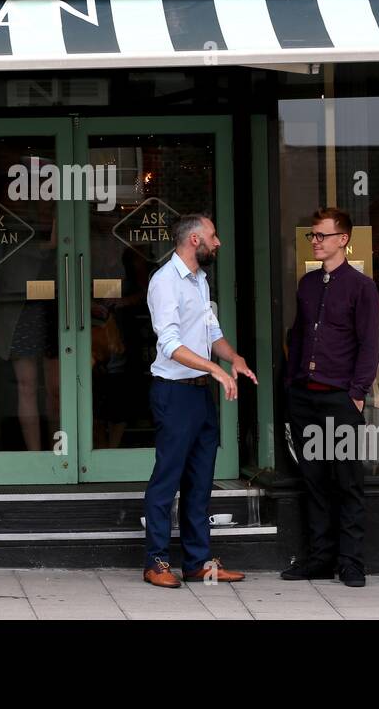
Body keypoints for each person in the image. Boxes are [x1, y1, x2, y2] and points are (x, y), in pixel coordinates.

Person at [142, 213, 257, 588]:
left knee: (200, 482)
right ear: (194, 240)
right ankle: (156, 562)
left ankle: (197, 563)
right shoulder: (164, 283)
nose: (218, 242)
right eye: (213, 235)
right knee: (167, 480)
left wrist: (233, 359)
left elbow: (212, 331)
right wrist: (215, 369)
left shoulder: (200, 281)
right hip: (173, 393)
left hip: (199, 392)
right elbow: (171, 344)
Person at [281, 207, 379, 588]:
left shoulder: (361, 286)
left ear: (343, 239)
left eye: (321, 235)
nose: (316, 241)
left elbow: (368, 345)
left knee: (347, 480)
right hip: (305, 397)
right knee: (315, 480)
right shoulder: (307, 284)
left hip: (341, 398)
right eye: (312, 236)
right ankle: (320, 559)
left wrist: (357, 394)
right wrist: (292, 384)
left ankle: (351, 562)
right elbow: (298, 334)